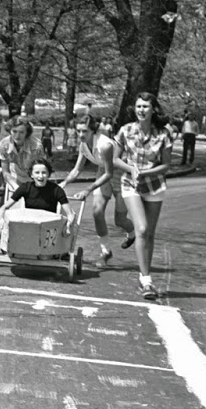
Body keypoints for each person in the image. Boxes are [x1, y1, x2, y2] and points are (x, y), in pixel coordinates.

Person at [115, 91, 173, 300]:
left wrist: (146, 172)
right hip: (131, 184)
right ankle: (147, 280)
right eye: (138, 106)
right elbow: (115, 159)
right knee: (141, 228)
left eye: (145, 107)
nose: (141, 110)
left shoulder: (163, 134)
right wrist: (131, 169)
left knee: (149, 234)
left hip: (155, 185)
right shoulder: (126, 130)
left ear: (153, 109)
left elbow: (166, 165)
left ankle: (143, 274)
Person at [61, 115, 127, 267]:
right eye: (78, 131)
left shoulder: (105, 145)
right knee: (97, 212)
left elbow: (110, 174)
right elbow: (77, 169)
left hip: (120, 174)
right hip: (103, 171)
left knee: (120, 221)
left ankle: (132, 234)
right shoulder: (83, 145)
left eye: (85, 131)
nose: (81, 135)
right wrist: (64, 182)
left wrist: (88, 189)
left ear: (93, 130)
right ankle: (105, 252)